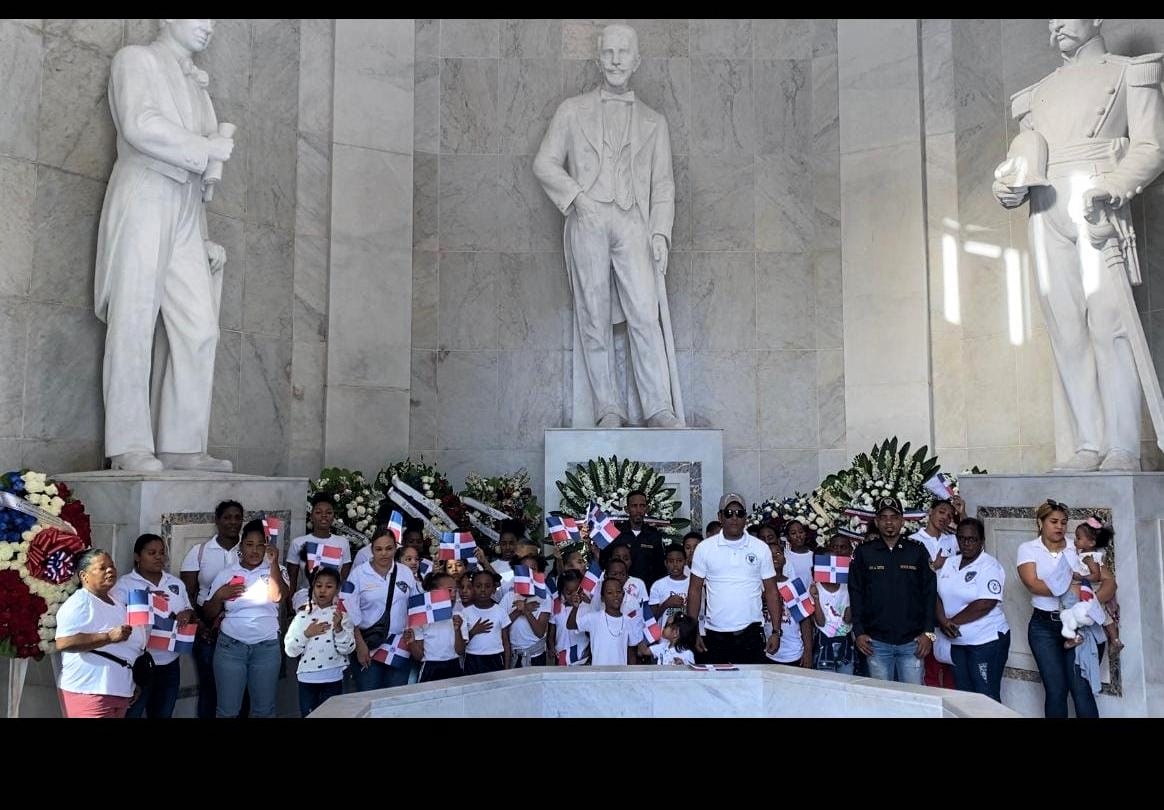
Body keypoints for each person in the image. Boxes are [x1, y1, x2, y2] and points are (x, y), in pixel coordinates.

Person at [993, 19, 1164, 472]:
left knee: (1110, 324)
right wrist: (1009, 188)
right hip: (1046, 207)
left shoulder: (1129, 71)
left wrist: (1115, 184)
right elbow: (1023, 160)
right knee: (1066, 329)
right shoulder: (1036, 95)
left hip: (1097, 198)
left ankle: (1122, 446)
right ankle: (1088, 442)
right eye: (1050, 19)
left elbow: (1152, 146)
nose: (1057, 25)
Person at [95, 19, 236, 472]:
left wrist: (202, 233)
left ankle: (181, 444)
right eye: (200, 17)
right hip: (146, 191)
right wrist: (206, 148)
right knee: (133, 317)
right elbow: (140, 125)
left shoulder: (198, 86)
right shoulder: (136, 60)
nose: (209, 27)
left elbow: (198, 170)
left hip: (187, 205)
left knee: (200, 327)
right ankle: (129, 444)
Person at [533, 23, 683, 429]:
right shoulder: (572, 110)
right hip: (589, 218)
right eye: (609, 53)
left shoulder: (655, 121)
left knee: (645, 314)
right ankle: (608, 408)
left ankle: (658, 407)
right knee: (594, 315)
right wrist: (578, 199)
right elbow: (544, 163)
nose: (616, 61)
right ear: (598, 59)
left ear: (637, 60)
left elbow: (663, 184)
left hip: (634, 222)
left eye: (623, 53)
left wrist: (660, 233)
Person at [1017, 500, 1100, 718]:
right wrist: (1071, 585)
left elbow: (1101, 576)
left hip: (1077, 626)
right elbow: (1033, 584)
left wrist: (1085, 590)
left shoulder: (1076, 547)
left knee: (1081, 689)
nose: (1059, 526)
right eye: (1053, 521)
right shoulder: (1028, 549)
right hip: (1043, 626)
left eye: (1064, 522)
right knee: (1056, 690)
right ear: (1040, 522)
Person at [204, 519, 290, 718]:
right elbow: (208, 613)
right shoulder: (227, 573)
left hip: (266, 647)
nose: (255, 550)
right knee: (227, 711)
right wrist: (219, 596)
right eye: (250, 544)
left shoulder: (277, 570)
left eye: (260, 545)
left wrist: (273, 564)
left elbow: (278, 596)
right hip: (231, 647)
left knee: (264, 710)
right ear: (241, 546)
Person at [686, 494, 784, 665]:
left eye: (739, 513)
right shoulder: (704, 548)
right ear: (720, 517)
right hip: (715, 635)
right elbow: (695, 590)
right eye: (728, 513)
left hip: (751, 634)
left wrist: (776, 631)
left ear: (745, 517)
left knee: (751, 682)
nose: (734, 518)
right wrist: (693, 632)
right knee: (718, 682)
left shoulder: (760, 548)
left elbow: (771, 591)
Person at [849, 496, 937, 685]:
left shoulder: (917, 551)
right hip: (876, 642)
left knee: (913, 697)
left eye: (894, 517)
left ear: (902, 521)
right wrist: (859, 631)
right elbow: (855, 593)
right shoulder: (864, 552)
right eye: (884, 517)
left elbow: (930, 594)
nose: (889, 522)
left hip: (912, 642)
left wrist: (929, 634)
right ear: (877, 522)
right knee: (881, 697)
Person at [111, 533, 197, 718]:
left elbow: (189, 609)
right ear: (137, 557)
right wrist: (146, 601)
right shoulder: (124, 585)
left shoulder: (175, 583)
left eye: (161, 552)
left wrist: (187, 614)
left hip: (170, 662)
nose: (158, 557)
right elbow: (114, 619)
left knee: (163, 713)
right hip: (138, 664)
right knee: (132, 713)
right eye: (151, 553)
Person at [55, 549, 148, 718]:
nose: (110, 570)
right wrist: (108, 637)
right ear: (84, 576)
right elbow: (64, 642)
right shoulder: (80, 602)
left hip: (119, 690)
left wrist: (130, 681)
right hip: (89, 690)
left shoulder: (117, 603)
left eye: (112, 566)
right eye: (102, 568)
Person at [179, 499, 244, 720]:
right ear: (217, 520)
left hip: (239, 626)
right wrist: (200, 625)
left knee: (240, 687)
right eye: (227, 517)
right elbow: (187, 594)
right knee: (210, 686)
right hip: (207, 627)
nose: (233, 522)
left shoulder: (249, 549)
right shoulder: (200, 551)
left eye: (237, 517)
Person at [936, 518, 1011, 702]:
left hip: (985, 640)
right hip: (956, 641)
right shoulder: (949, 563)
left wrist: (951, 623)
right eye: (962, 538)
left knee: (986, 696)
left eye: (972, 539)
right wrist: (943, 621)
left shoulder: (990, 565)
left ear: (982, 540)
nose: (966, 543)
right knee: (964, 696)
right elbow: (936, 595)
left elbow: (986, 603)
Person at [344, 523, 419, 691]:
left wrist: (413, 639)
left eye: (389, 548)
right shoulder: (358, 574)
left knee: (395, 698)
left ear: (395, 548)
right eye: (379, 549)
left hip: (400, 646)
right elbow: (348, 611)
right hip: (369, 646)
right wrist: (360, 645)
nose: (384, 553)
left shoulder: (405, 572)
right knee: (369, 697)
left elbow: (415, 606)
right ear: (371, 550)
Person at [284, 567, 355, 717]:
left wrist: (339, 629)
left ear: (337, 589)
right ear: (313, 587)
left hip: (333, 677)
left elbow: (348, 648)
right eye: (318, 585)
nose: (323, 590)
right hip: (307, 679)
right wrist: (306, 634)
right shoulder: (302, 616)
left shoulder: (341, 616)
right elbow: (290, 650)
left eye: (329, 586)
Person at [912, 499, 959, 688]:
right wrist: (934, 565)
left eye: (950, 515)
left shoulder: (953, 540)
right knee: (930, 658)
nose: (945, 517)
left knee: (949, 662)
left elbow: (974, 544)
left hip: (950, 610)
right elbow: (909, 576)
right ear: (930, 511)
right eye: (941, 512)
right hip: (926, 611)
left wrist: (962, 513)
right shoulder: (914, 540)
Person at [569, 578, 651, 665]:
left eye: (618, 592)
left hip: (620, 672)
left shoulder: (629, 621)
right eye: (609, 593)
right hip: (598, 671)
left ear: (623, 595)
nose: (615, 595)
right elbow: (571, 625)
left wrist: (631, 672)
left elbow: (631, 653)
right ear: (602, 598)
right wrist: (575, 607)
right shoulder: (594, 618)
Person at [1072, 517, 1123, 653]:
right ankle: (1115, 639)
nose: (1075, 540)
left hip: (1093, 588)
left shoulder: (1089, 557)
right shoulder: (1084, 554)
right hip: (1088, 587)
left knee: (1101, 615)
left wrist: (1080, 577)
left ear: (1091, 542)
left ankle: (1115, 640)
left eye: (1079, 538)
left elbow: (1096, 576)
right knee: (1099, 614)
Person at [286, 493, 351, 595]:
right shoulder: (298, 543)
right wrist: (290, 604)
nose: (324, 515)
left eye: (328, 512)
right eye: (318, 512)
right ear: (311, 516)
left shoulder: (343, 543)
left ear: (333, 517)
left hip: (333, 598)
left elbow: (343, 579)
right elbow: (291, 580)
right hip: (306, 597)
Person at [810, 534, 855, 675]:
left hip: (845, 641)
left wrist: (853, 592)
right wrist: (816, 598)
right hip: (823, 642)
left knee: (846, 680)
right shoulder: (815, 588)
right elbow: (821, 622)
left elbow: (848, 619)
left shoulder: (847, 586)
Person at [409, 572, 465, 682]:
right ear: (433, 593)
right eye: (449, 590)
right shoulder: (421, 619)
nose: (453, 594)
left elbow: (460, 651)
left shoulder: (459, 617)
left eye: (455, 590)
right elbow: (419, 656)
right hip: (430, 667)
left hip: (454, 665)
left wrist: (457, 630)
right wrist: (411, 643)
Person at [764, 540, 813, 668]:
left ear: (785, 560)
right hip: (767, 652)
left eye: (778, 553)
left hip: (793, 652)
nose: (774, 557)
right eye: (769, 554)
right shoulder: (760, 586)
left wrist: (808, 652)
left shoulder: (793, 585)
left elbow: (805, 621)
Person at [456, 570, 512, 674]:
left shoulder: (500, 611)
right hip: (473, 659)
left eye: (487, 586)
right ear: (473, 588)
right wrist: (473, 632)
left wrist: (507, 668)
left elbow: (506, 642)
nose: (483, 590)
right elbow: (461, 646)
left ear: (494, 589)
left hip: (496, 658)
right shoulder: (466, 612)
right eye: (478, 586)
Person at [503, 553, 552, 667]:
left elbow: (540, 632)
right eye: (524, 569)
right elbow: (501, 626)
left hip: (536, 656)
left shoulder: (544, 598)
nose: (529, 573)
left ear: (539, 572)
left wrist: (526, 611)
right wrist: (518, 611)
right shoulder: (509, 596)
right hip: (514, 655)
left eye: (533, 569)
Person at [616, 490, 667, 588]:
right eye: (634, 506)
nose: (638, 510)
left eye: (642, 506)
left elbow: (660, 568)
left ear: (647, 509)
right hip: (620, 591)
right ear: (627, 509)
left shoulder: (654, 535)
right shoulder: (616, 533)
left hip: (647, 591)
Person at [550, 569, 591, 666]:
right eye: (569, 593)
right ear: (561, 592)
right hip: (561, 656)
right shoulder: (556, 607)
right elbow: (552, 632)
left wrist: (589, 651)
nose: (574, 596)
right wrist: (551, 647)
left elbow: (592, 634)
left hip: (581, 657)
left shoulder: (586, 608)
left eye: (577, 591)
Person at [648, 545, 690, 629]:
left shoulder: (692, 584)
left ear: (685, 561)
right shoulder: (658, 585)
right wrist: (666, 604)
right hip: (664, 635)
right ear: (665, 563)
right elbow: (651, 619)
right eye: (671, 561)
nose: (675, 565)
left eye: (679, 561)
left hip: (687, 634)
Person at [782, 518, 815, 586]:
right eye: (793, 533)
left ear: (805, 534)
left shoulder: (814, 556)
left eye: (801, 532)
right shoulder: (785, 557)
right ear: (788, 537)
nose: (798, 535)